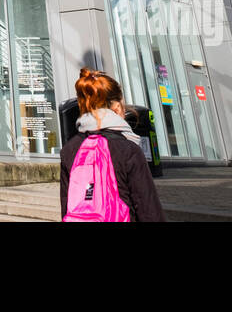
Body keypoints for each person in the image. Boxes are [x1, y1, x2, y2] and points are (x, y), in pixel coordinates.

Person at [59, 69, 164, 222]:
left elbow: (66, 206)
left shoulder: (69, 150)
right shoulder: (128, 149)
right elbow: (148, 207)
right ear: (116, 107)